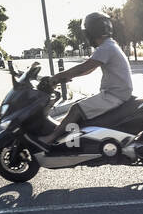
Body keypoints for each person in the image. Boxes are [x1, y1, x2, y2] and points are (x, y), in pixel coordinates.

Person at [39, 12, 133, 144]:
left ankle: (51, 138)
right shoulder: (109, 45)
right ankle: (65, 134)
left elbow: (84, 67)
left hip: (115, 95)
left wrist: (56, 77)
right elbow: (89, 69)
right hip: (117, 93)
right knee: (81, 104)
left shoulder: (106, 48)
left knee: (76, 108)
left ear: (92, 31)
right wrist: (64, 78)